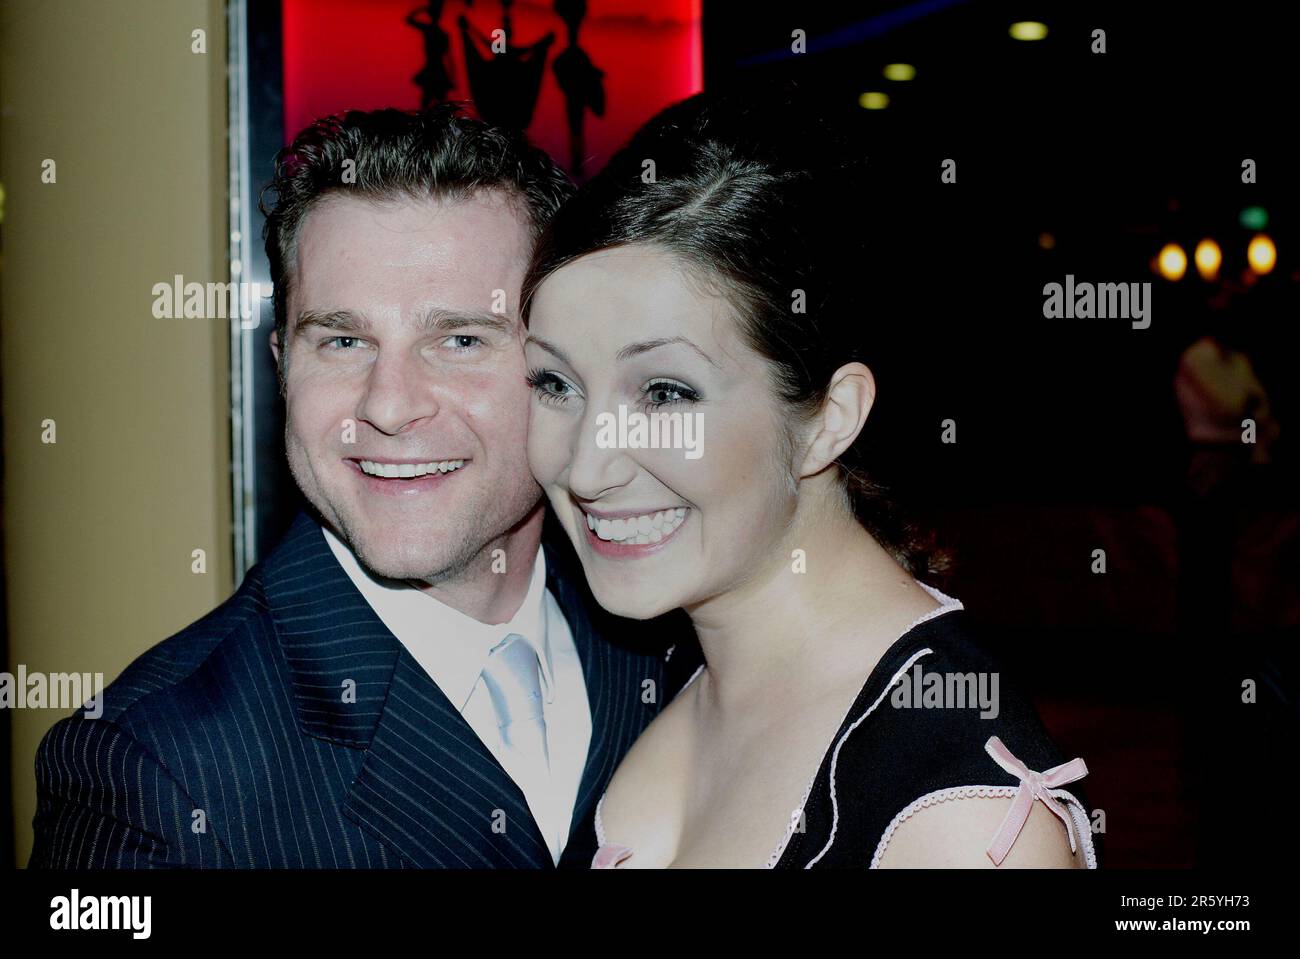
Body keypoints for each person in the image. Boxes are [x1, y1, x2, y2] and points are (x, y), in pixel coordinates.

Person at [28, 105, 701, 869]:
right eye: (343, 341)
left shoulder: (683, 639)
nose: (386, 405)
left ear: (564, 369)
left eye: (458, 339)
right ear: (283, 364)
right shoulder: (149, 767)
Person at [521, 90, 1099, 868]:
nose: (587, 466)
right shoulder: (656, 659)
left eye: (665, 393)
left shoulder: (963, 825)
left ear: (829, 417)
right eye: (555, 384)